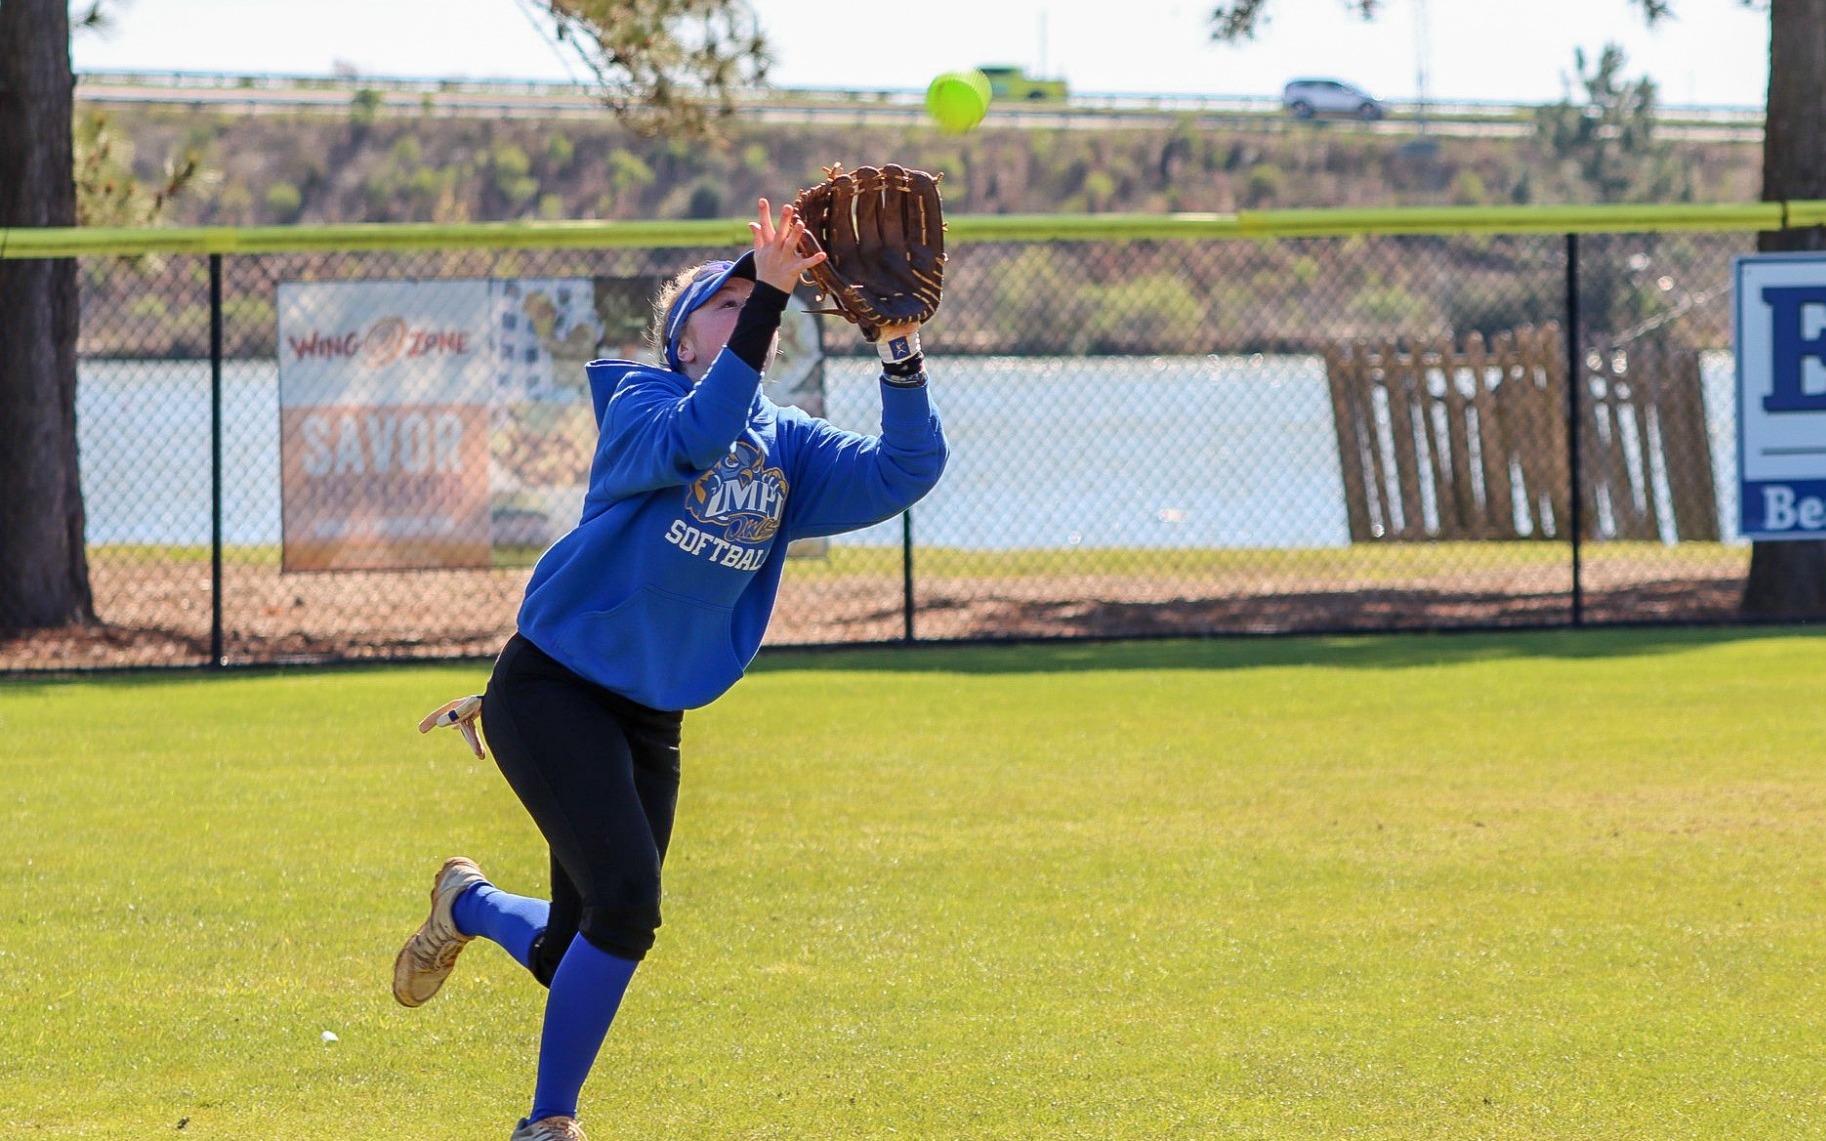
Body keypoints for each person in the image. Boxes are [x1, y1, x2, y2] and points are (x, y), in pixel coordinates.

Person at [391, 197, 948, 1141]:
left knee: (578, 941)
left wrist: (898, 349)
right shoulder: (641, 404)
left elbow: (907, 469)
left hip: (652, 714)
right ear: (683, 341)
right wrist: (770, 291)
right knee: (629, 904)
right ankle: (549, 1121)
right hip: (551, 689)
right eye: (723, 303)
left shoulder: (792, 443)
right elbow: (696, 438)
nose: (746, 309)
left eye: (753, 300)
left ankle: (469, 903)